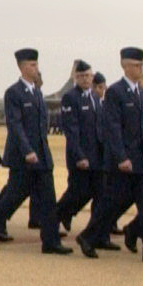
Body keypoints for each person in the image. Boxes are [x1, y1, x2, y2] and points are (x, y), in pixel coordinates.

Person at [0, 50, 69, 254]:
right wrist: (27, 151)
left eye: (36, 64)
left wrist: (41, 151)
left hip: (42, 156)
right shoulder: (14, 93)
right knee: (12, 197)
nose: (36, 68)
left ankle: (50, 242)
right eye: (32, 65)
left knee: (48, 199)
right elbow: (15, 125)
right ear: (23, 67)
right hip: (24, 158)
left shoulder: (37, 92)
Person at [78, 49, 143, 256]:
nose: (140, 69)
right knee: (112, 204)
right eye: (136, 65)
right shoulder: (116, 92)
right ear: (125, 66)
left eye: (142, 65)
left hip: (141, 160)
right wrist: (121, 157)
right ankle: (89, 236)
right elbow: (113, 128)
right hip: (123, 161)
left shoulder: (141, 93)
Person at [53, 60, 102, 239]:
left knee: (99, 194)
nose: (85, 79)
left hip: (97, 157)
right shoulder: (71, 98)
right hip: (79, 156)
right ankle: (54, 219)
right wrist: (79, 156)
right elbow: (71, 131)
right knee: (76, 193)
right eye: (81, 76)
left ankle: (97, 234)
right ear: (76, 77)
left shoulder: (96, 98)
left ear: (92, 76)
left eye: (88, 75)